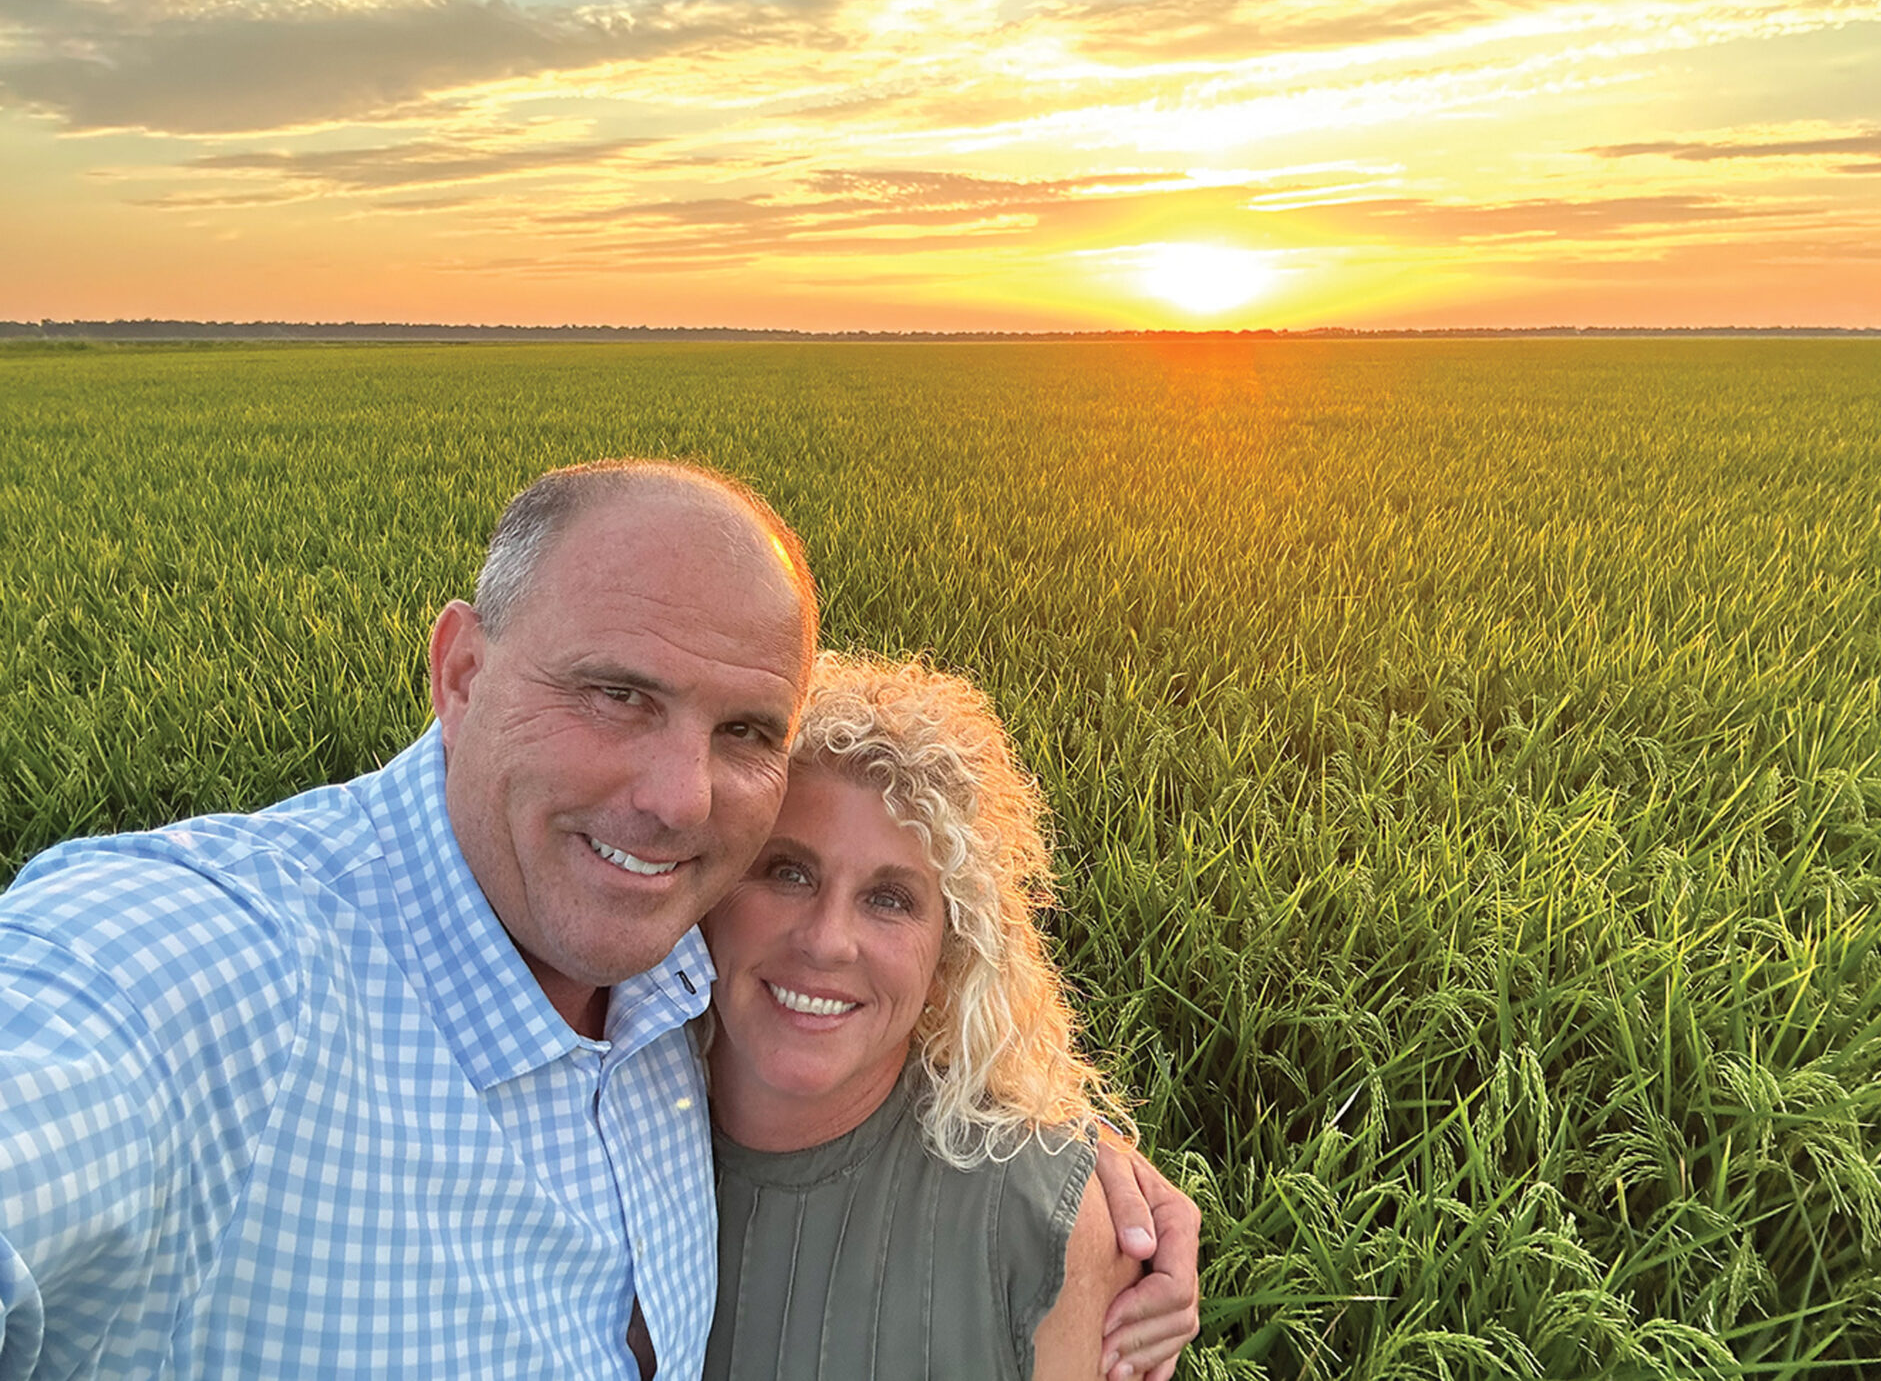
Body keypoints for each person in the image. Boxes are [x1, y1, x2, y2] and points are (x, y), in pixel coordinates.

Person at [0, 460, 1198, 1380]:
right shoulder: (204, 966)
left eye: (744, 735)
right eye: (617, 694)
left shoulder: (666, 978)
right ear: (461, 673)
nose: (679, 800)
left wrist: (1072, 1183)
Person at [701, 652, 1176, 1381]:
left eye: (890, 899)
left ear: (947, 956)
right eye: (788, 872)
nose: (828, 940)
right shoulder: (606, 1122)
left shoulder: (1043, 1219)